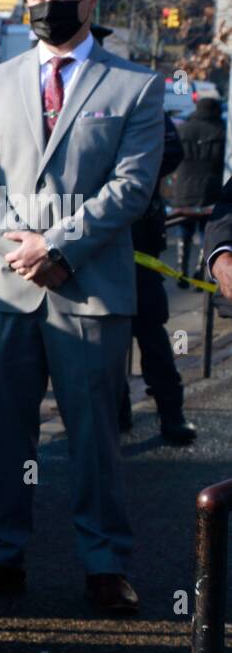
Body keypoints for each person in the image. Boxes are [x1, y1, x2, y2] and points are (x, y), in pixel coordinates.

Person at [0, 0, 165, 615]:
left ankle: (105, 564)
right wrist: (17, 244)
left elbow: (132, 187)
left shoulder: (138, 87)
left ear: (92, 0)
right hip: (7, 284)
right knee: (4, 432)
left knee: (94, 431)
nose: (47, 7)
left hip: (90, 286)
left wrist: (59, 247)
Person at [123, 112, 195, 444]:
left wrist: (123, 171)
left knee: (151, 334)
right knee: (100, 341)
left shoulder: (140, 96)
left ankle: (171, 414)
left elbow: (172, 150)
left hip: (138, 241)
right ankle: (116, 411)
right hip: (92, 246)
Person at [167, 96, 225, 283]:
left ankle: (180, 267)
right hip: (211, 189)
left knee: (184, 229)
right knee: (206, 231)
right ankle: (202, 267)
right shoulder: (221, 131)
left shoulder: (183, 129)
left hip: (183, 189)